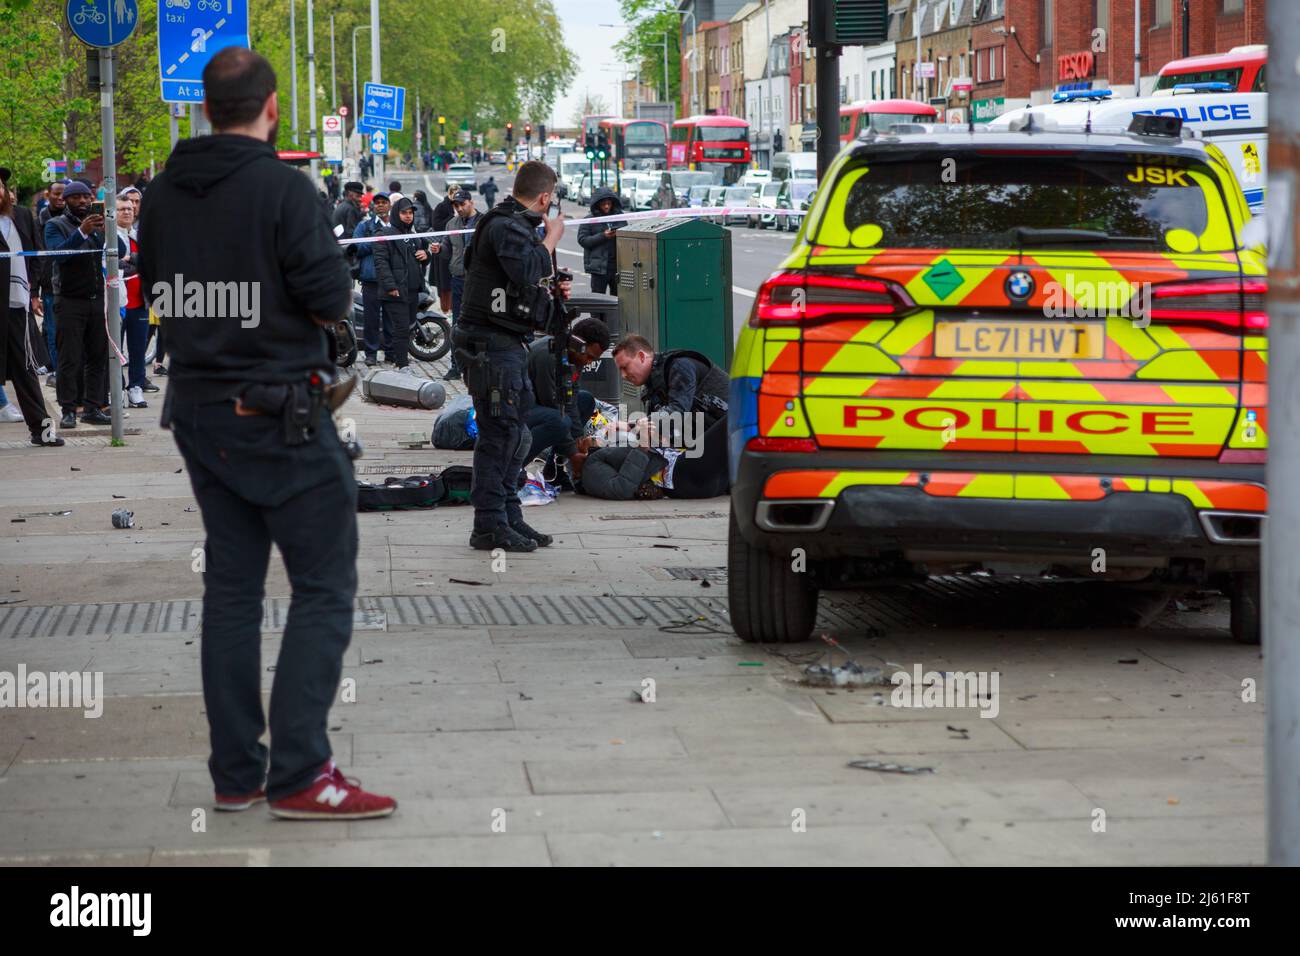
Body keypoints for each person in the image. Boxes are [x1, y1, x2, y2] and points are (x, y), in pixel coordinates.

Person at [137, 46, 395, 820]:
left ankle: (236, 774)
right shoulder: (284, 190)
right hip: (280, 413)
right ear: (271, 107)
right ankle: (301, 773)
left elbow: (160, 295)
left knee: (231, 592)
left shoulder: (160, 195)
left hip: (198, 412)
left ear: (208, 107)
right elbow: (327, 297)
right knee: (324, 584)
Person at [454, 159, 571, 552]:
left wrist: (554, 297)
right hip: (490, 346)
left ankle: (508, 514)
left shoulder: (513, 227)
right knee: (499, 435)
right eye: (550, 199)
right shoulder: (506, 227)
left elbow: (520, 293)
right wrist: (552, 238)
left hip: (505, 343)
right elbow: (526, 270)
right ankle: (488, 524)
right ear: (544, 197)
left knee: (515, 433)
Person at [577, 333, 730, 500]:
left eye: (625, 367)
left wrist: (630, 426)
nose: (623, 376)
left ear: (641, 356)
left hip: (728, 434)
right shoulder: (653, 389)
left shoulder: (680, 366)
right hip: (705, 458)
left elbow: (678, 411)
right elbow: (656, 435)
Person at [0, 166, 62, 446]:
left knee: (28, 371)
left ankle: (43, 431)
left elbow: (37, 256)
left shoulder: (22, 215)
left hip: (18, 306)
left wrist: (34, 291)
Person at [44, 180, 109, 428]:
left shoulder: (97, 224)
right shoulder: (55, 225)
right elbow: (58, 255)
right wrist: (81, 232)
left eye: (86, 197)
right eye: (76, 197)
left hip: (96, 299)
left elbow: (120, 249)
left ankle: (93, 407)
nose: (82, 201)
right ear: (67, 201)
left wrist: (108, 228)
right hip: (69, 301)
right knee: (70, 358)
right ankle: (69, 409)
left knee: (97, 357)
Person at [523, 316, 608, 472]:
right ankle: (513, 469)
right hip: (517, 410)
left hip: (543, 406)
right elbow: (554, 405)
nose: (589, 362)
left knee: (586, 400)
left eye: (593, 359)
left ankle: (555, 468)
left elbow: (571, 399)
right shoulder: (548, 356)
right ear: (578, 344)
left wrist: (579, 441)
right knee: (559, 422)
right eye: (588, 356)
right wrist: (573, 452)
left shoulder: (576, 358)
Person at [372, 195, 430, 372]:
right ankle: (402, 364)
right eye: (404, 213)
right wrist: (391, 287)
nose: (408, 216)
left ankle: (401, 359)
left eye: (410, 213)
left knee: (409, 326)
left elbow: (421, 259)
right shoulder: (384, 235)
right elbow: (381, 263)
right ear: (397, 214)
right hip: (396, 292)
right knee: (401, 328)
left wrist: (426, 255)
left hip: (412, 290)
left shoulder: (413, 235)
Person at [115, 194, 153, 409]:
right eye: (122, 209)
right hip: (118, 302)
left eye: (130, 208)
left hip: (140, 300)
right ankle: (117, 388)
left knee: (138, 348)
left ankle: (136, 387)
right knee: (116, 350)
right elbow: (114, 264)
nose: (127, 212)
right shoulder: (109, 237)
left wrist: (134, 261)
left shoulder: (140, 236)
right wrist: (132, 262)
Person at [352, 192, 393, 366]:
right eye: (377, 203)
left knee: (391, 318)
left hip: (391, 280)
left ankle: (391, 352)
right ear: (373, 207)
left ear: (390, 205)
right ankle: (371, 353)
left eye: (384, 202)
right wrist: (376, 242)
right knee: (371, 319)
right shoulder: (365, 226)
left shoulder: (395, 226)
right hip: (370, 279)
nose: (381, 206)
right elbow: (355, 247)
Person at [443, 191, 479, 381]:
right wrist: (438, 249)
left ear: (471, 202)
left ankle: (477, 364)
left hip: (478, 280)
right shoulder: (451, 224)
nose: (458, 208)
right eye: (455, 205)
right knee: (457, 324)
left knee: (479, 324)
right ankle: (455, 366)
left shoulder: (483, 222)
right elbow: (446, 250)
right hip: (457, 279)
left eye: (461, 204)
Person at [577, 187, 625, 295]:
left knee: (618, 300)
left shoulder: (620, 218)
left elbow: (628, 237)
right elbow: (583, 240)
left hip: (616, 267)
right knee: (598, 299)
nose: (607, 206)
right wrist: (603, 236)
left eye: (609, 203)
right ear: (597, 204)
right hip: (598, 269)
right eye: (604, 204)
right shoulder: (589, 220)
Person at [429, 185, 458, 312]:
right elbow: (436, 225)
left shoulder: (461, 206)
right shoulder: (441, 207)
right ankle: (446, 307)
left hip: (457, 248)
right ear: (450, 194)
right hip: (442, 246)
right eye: (455, 194)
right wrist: (452, 217)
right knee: (444, 280)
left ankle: (454, 306)